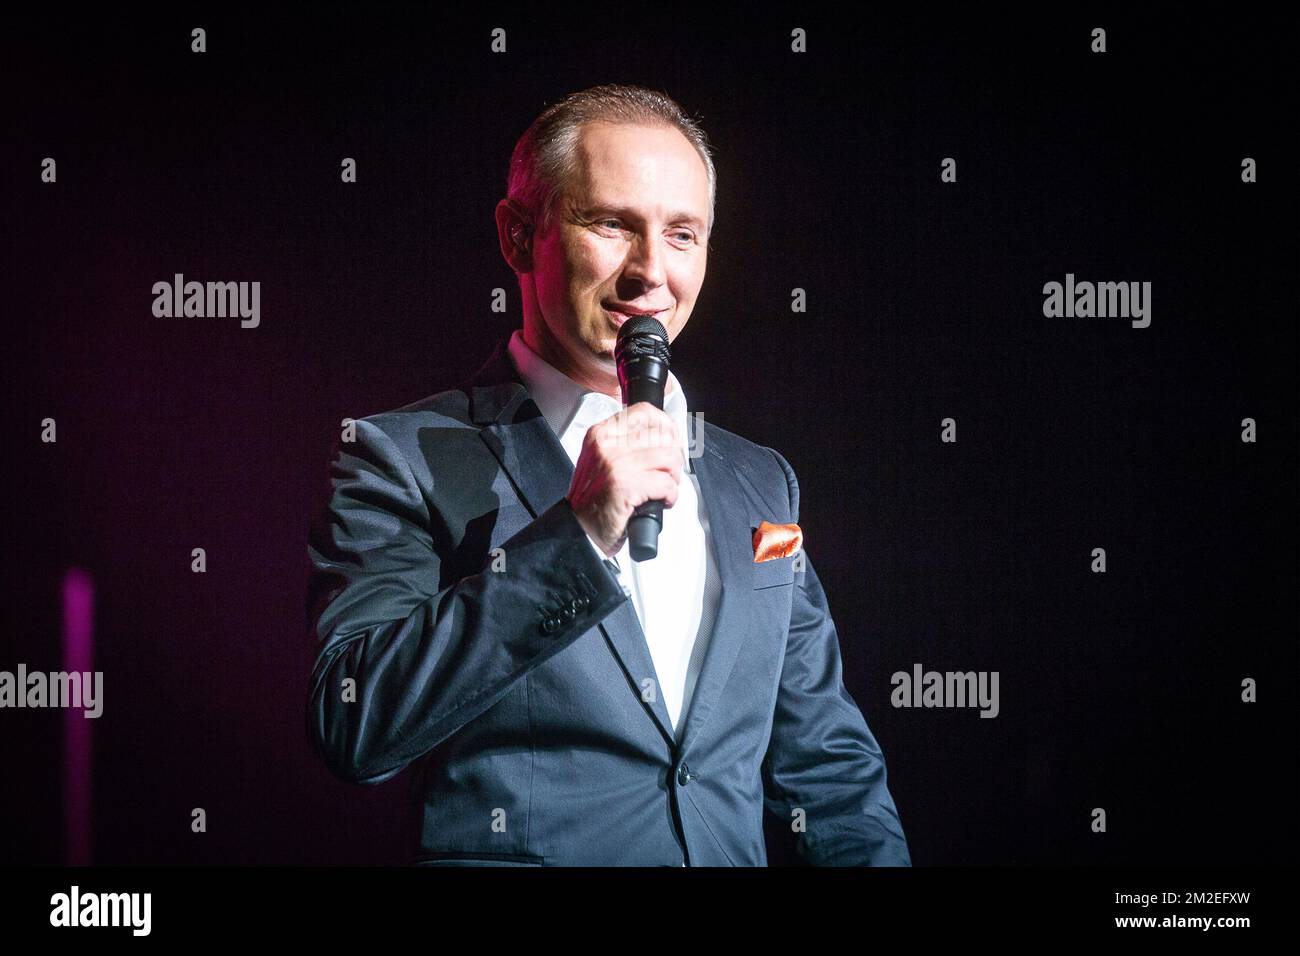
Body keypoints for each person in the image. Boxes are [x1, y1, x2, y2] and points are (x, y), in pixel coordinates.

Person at [305, 84, 911, 866]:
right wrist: (577, 536)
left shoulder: (760, 484)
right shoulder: (401, 455)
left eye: (683, 233)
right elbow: (353, 725)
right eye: (613, 224)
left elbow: (828, 768)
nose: (651, 270)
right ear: (519, 237)